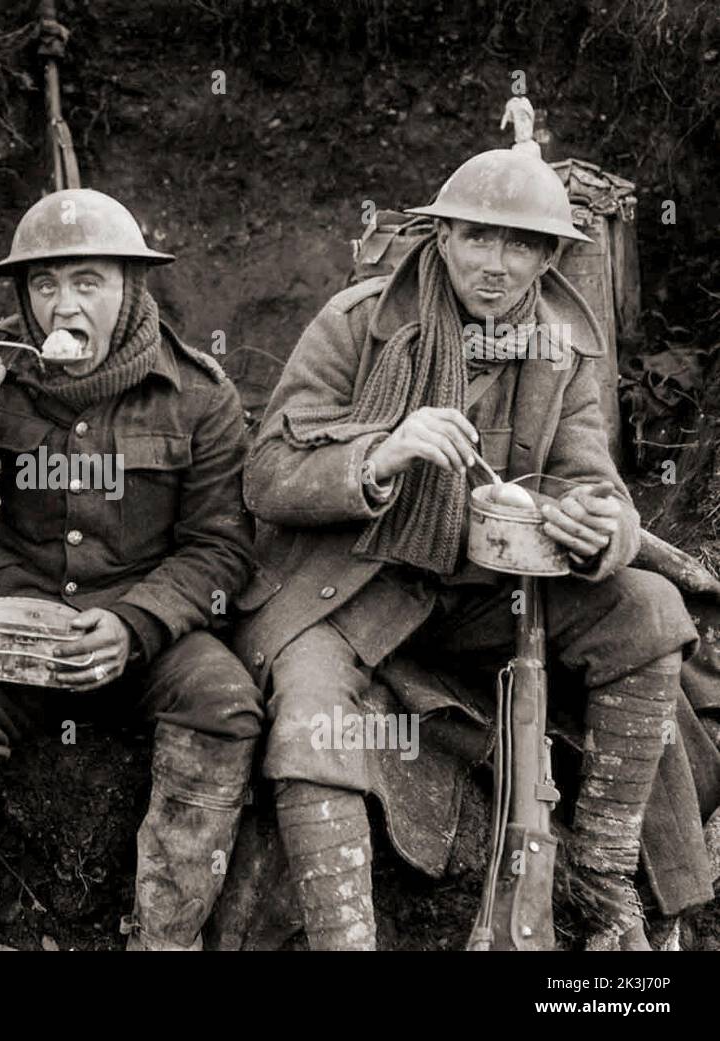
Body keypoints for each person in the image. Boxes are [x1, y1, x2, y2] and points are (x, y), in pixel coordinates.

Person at [235, 148, 697, 950]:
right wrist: (378, 454)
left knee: (650, 606)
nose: (495, 263)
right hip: (353, 588)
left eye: (520, 245)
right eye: (478, 237)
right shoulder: (358, 323)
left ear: (550, 257)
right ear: (442, 235)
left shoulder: (563, 351)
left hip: (495, 594)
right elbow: (266, 475)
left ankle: (602, 869)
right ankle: (344, 935)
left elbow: (596, 486)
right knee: (310, 710)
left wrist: (595, 530)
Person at [0, 188, 263, 950]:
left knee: (225, 704)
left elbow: (222, 548)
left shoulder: (198, 395)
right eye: (45, 285)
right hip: (12, 618)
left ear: (130, 287)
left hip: (143, 618)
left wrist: (134, 624)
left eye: (88, 281)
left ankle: (166, 936)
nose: (64, 308)